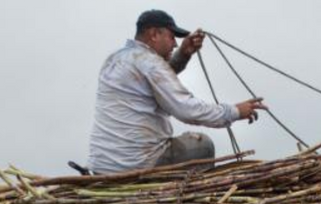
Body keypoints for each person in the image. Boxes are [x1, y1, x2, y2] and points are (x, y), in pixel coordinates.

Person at [87, 9, 266, 173]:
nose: (174, 44)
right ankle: (188, 195)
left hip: (103, 167)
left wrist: (184, 54)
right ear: (154, 34)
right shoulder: (149, 62)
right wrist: (234, 111)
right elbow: (187, 110)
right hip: (137, 164)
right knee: (201, 145)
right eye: (172, 37)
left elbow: (158, 80)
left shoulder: (115, 59)